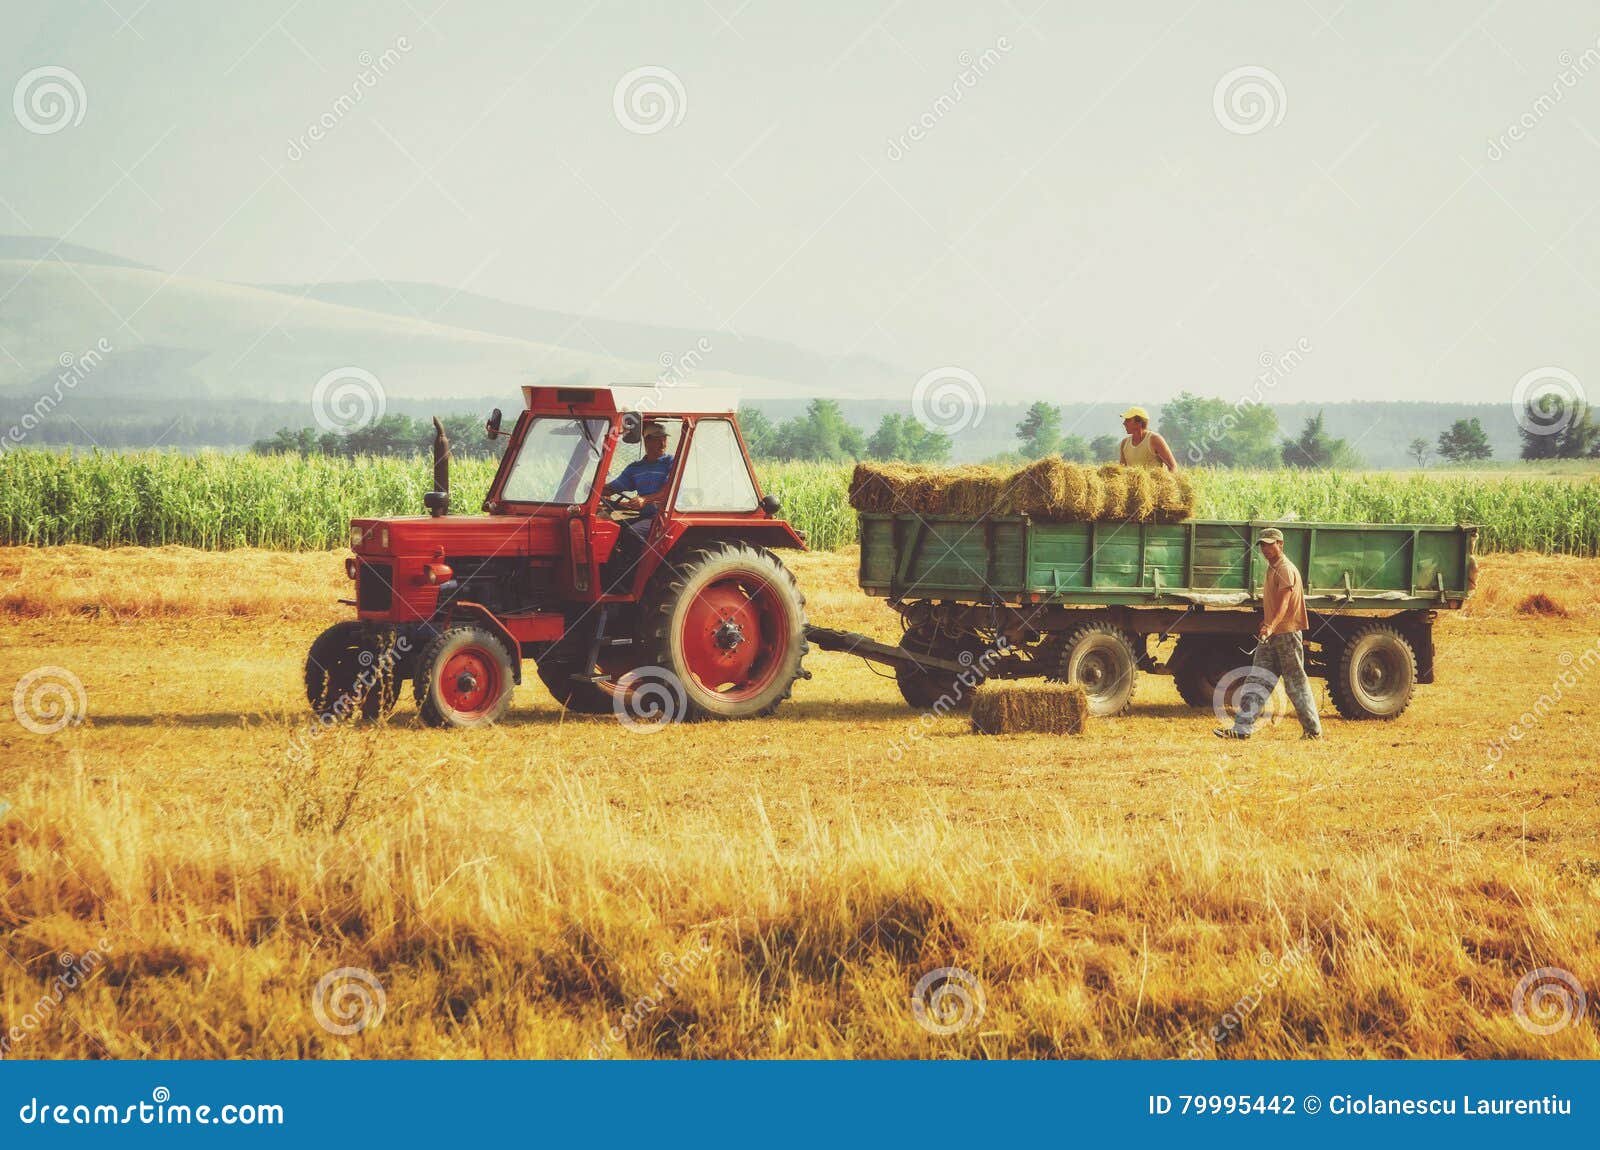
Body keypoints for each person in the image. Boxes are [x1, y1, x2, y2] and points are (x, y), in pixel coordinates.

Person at [1215, 527, 1323, 741]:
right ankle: (1242, 729)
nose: (1265, 549)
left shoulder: (1285, 569)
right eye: (1262, 545)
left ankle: (1313, 731)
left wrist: (1272, 625)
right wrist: (1267, 623)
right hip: (1272, 634)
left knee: (1295, 683)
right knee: (1257, 680)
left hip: (1287, 634)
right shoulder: (1272, 568)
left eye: (1269, 544)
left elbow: (1284, 603)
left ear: (1280, 544)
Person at [604, 421, 675, 536]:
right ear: (647, 441)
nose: (663, 444)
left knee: (633, 532)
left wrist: (645, 500)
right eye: (658, 440)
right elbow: (613, 488)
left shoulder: (672, 462)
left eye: (664, 439)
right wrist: (595, 490)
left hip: (665, 517)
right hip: (646, 516)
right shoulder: (636, 468)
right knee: (610, 529)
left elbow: (670, 490)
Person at [1117, 406, 1177, 471]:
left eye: (1128, 420)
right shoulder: (1125, 443)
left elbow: (1173, 467)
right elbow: (1121, 470)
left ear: (1139, 422)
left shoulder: (1154, 439)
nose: (1124, 423)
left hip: (1153, 478)